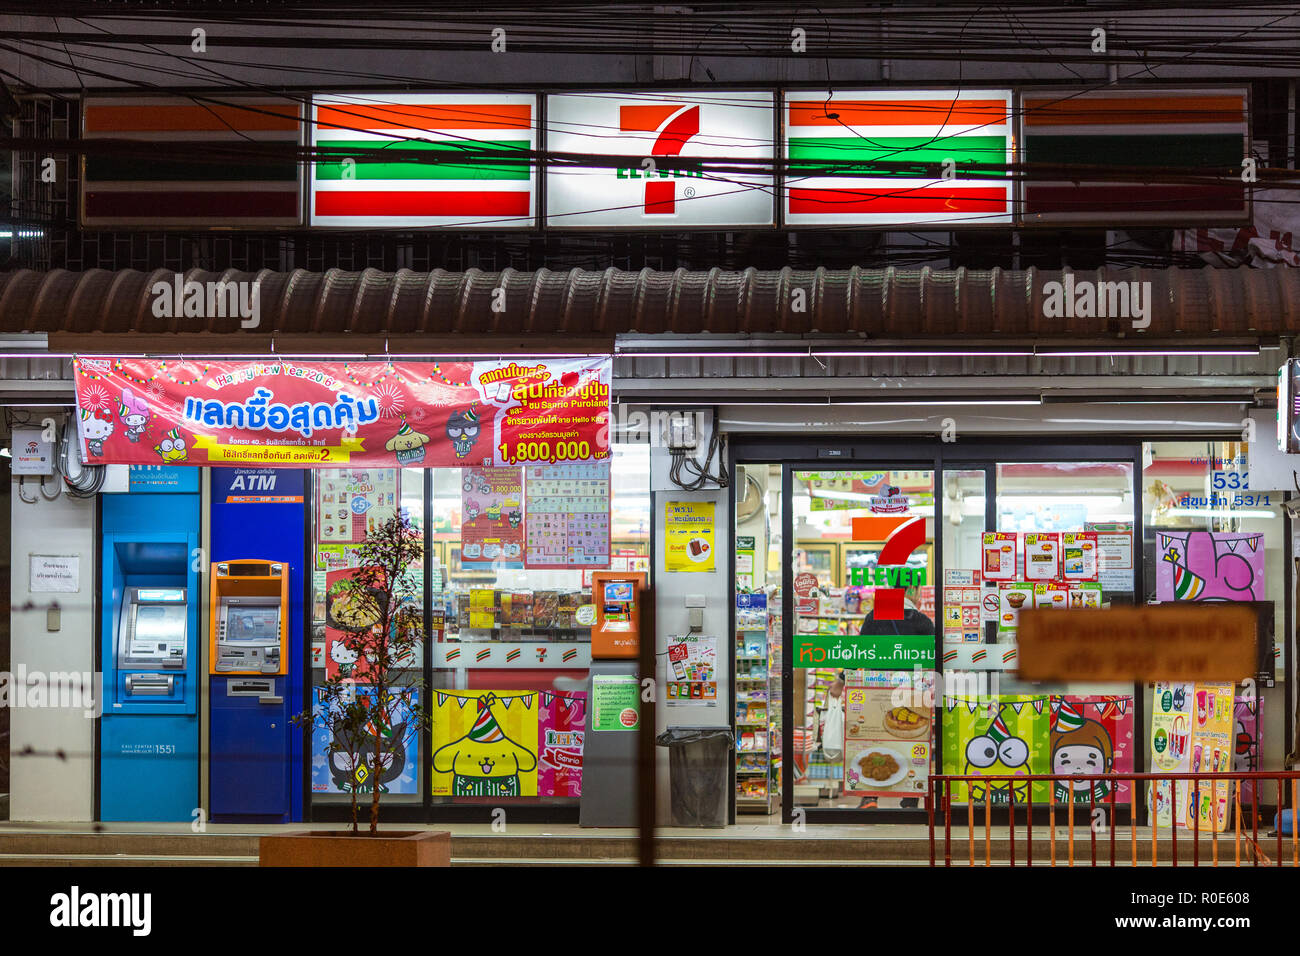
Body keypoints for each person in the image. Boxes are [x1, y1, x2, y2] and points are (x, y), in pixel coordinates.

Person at [858, 586, 933, 809]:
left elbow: (858, 650)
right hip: (912, 690)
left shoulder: (874, 617)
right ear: (915, 595)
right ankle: (911, 797)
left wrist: (843, 678)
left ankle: (870, 796)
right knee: (913, 741)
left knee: (875, 738)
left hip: (877, 688)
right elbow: (933, 656)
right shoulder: (922, 622)